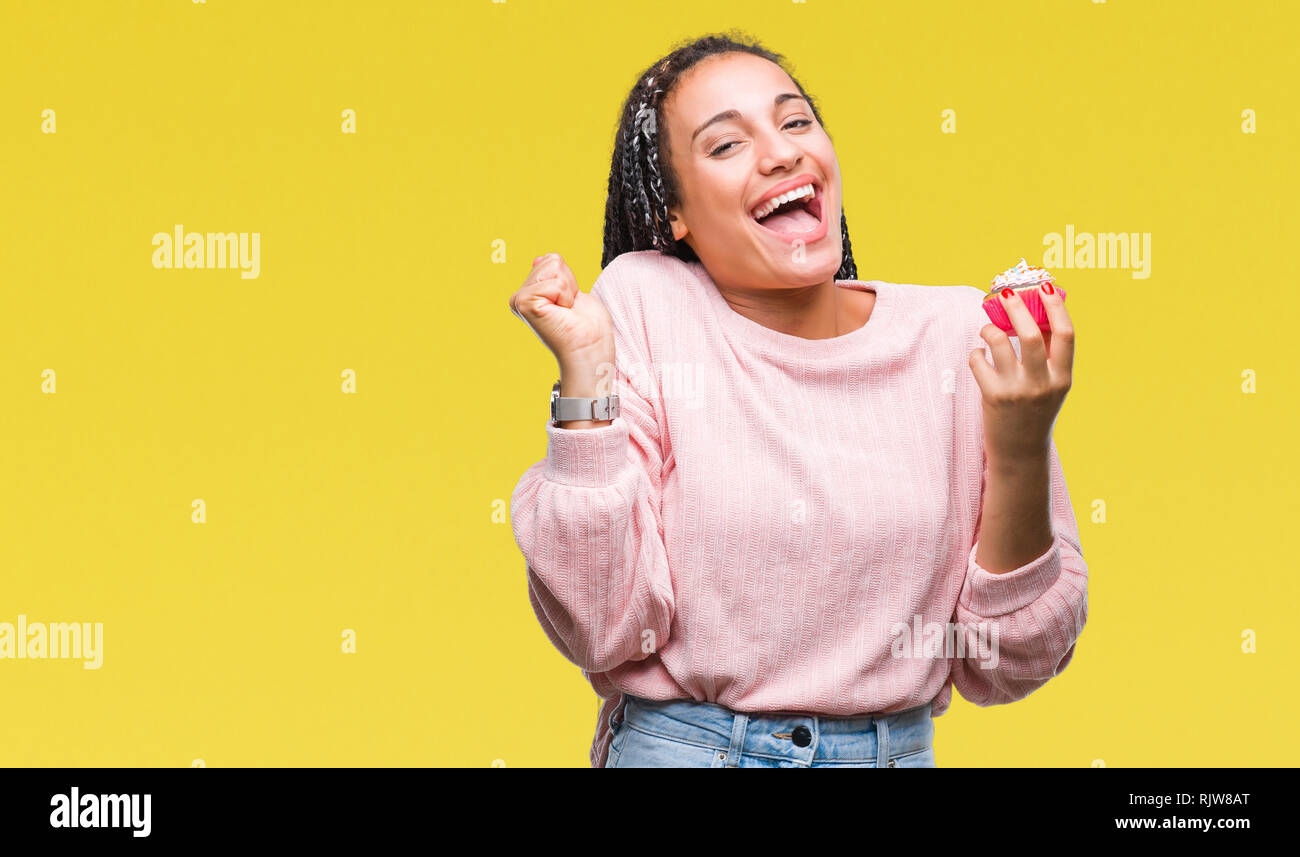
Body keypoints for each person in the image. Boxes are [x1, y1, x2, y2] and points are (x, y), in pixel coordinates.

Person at [507, 31, 1087, 768]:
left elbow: (1010, 661)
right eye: (725, 145)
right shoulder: (645, 303)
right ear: (672, 215)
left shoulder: (956, 336)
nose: (781, 153)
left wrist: (1020, 441)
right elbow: (602, 624)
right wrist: (587, 373)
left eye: (795, 121)